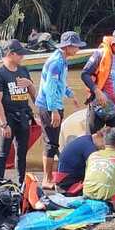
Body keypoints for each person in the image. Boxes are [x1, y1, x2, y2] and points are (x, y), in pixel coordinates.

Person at [35, 31, 85, 189]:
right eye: (76, 46)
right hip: (49, 107)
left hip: (54, 105)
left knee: (54, 142)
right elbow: (50, 89)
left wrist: (71, 94)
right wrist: (54, 110)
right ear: (68, 46)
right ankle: (47, 179)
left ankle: (52, 175)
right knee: (50, 144)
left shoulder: (62, 60)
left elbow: (59, 84)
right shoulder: (56, 62)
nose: (78, 49)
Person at [0, 40, 38, 184]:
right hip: (8, 118)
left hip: (23, 116)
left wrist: (30, 84)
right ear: (11, 54)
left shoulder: (23, 70)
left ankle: (21, 183)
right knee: (3, 153)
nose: (22, 57)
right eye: (20, 54)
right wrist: (4, 124)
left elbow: (34, 95)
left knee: (22, 153)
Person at [55, 128, 105, 194]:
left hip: (63, 178)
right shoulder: (90, 148)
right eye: (104, 145)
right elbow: (95, 171)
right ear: (100, 137)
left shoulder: (86, 139)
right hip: (67, 184)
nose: (104, 148)